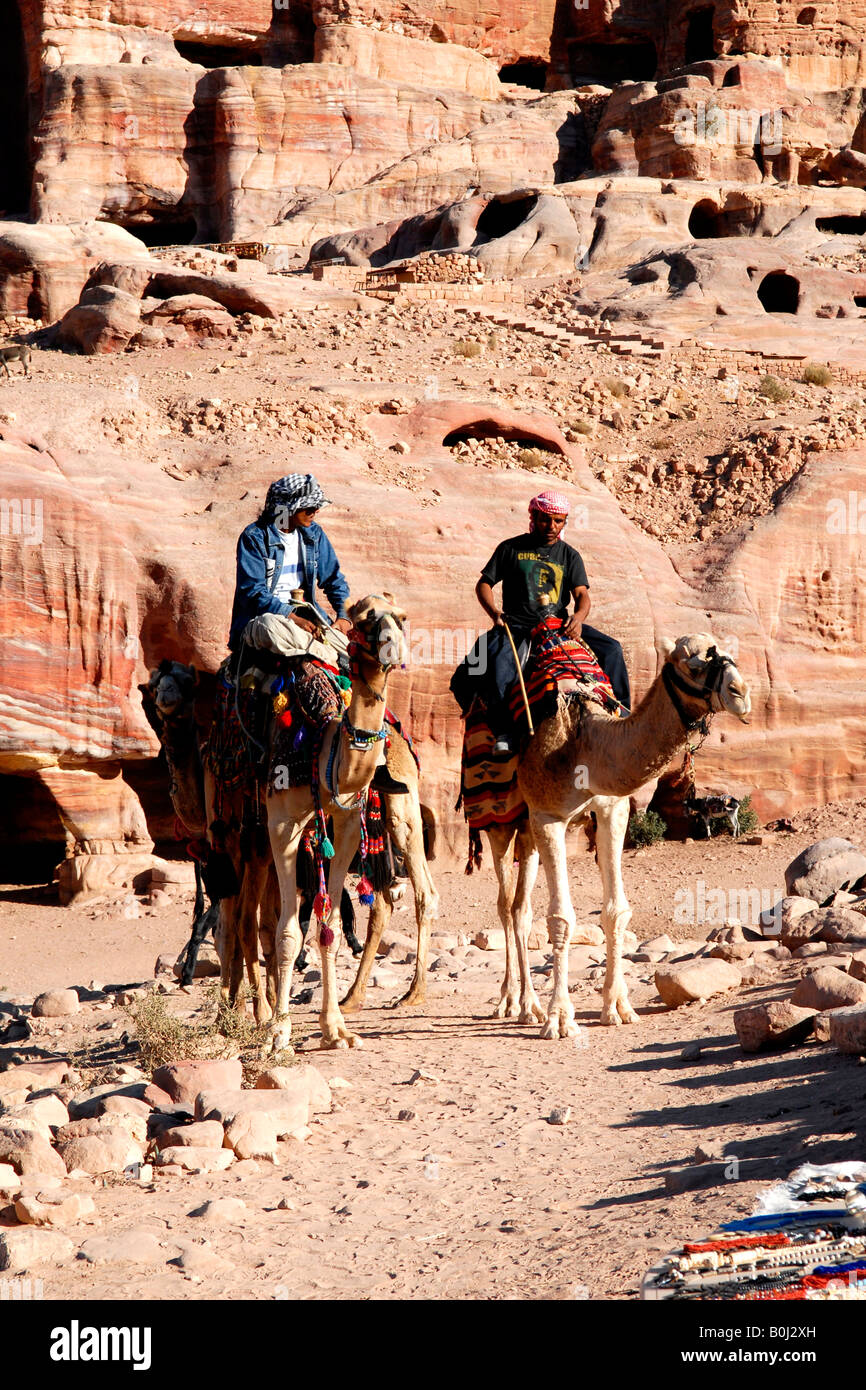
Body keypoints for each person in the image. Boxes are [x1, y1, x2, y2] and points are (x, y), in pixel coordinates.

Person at [450, 489, 630, 751]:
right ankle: (503, 730)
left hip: (558, 625)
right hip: (518, 625)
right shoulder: (510, 548)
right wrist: (494, 613)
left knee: (612, 649)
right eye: (546, 519)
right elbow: (484, 584)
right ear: (533, 515)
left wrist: (578, 618)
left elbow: (581, 595)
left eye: (558, 521)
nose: (551, 526)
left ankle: (622, 713)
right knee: (498, 664)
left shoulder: (569, 555)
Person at [228, 472, 352, 652]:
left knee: (350, 652)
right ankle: (324, 654)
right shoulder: (254, 537)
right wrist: (291, 618)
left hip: (305, 614)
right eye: (309, 507)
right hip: (264, 619)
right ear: (287, 509)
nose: (315, 511)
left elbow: (334, 579)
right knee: (273, 626)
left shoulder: (314, 534)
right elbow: (253, 592)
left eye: (317, 506)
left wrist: (344, 615)